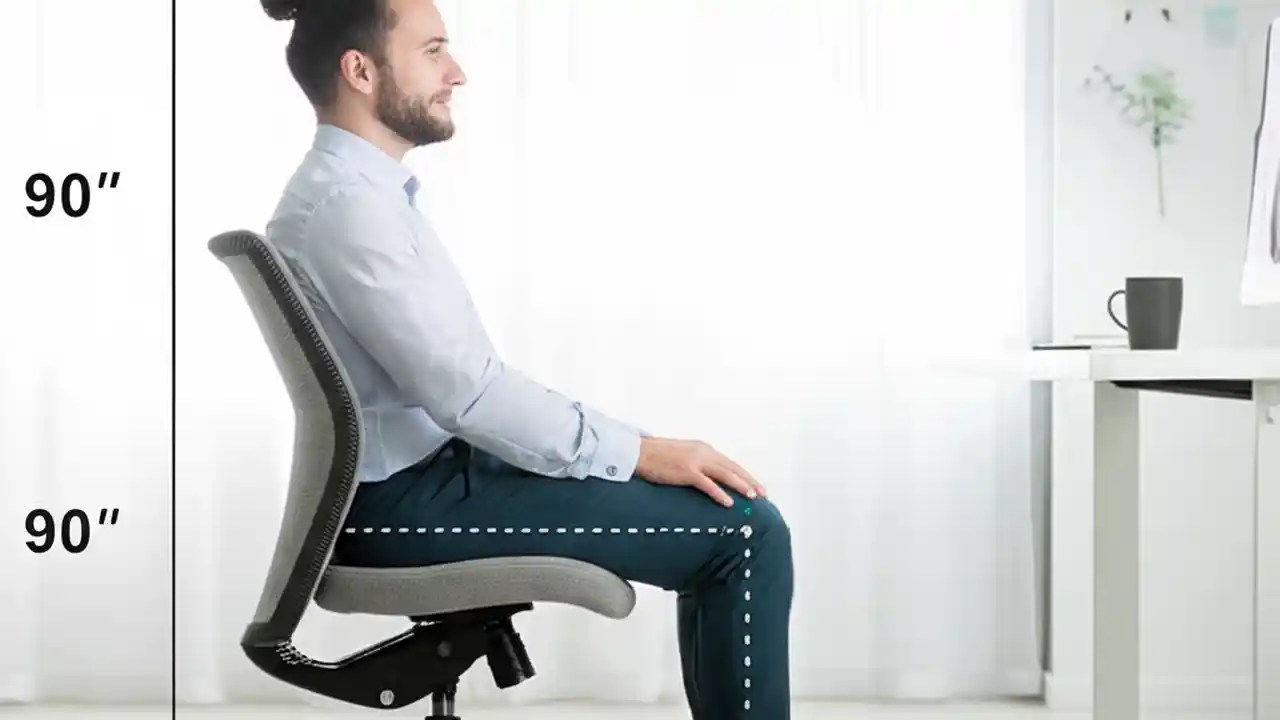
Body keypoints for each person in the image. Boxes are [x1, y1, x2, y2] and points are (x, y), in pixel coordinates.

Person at [260, 0, 793, 716]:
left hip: (423, 482)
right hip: (402, 511)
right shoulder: (347, 211)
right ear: (360, 70)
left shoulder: (358, 196)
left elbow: (465, 393)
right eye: (433, 51)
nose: (457, 72)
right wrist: (639, 452)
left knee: (731, 522)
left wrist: (632, 449)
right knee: (746, 536)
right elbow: (470, 395)